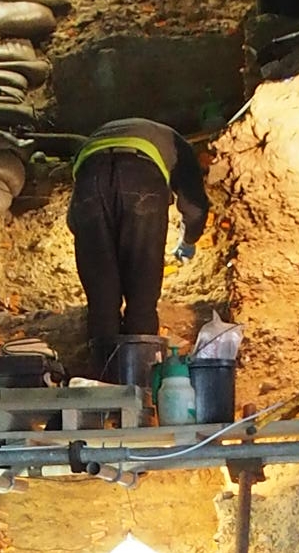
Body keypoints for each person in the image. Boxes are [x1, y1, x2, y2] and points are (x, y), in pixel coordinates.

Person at [67, 117, 209, 373]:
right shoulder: (177, 143)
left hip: (91, 178)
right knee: (141, 297)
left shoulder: (99, 135)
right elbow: (195, 207)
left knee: (102, 301)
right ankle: (139, 382)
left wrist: (99, 248)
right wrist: (188, 240)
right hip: (142, 178)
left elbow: (74, 221)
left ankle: (105, 383)